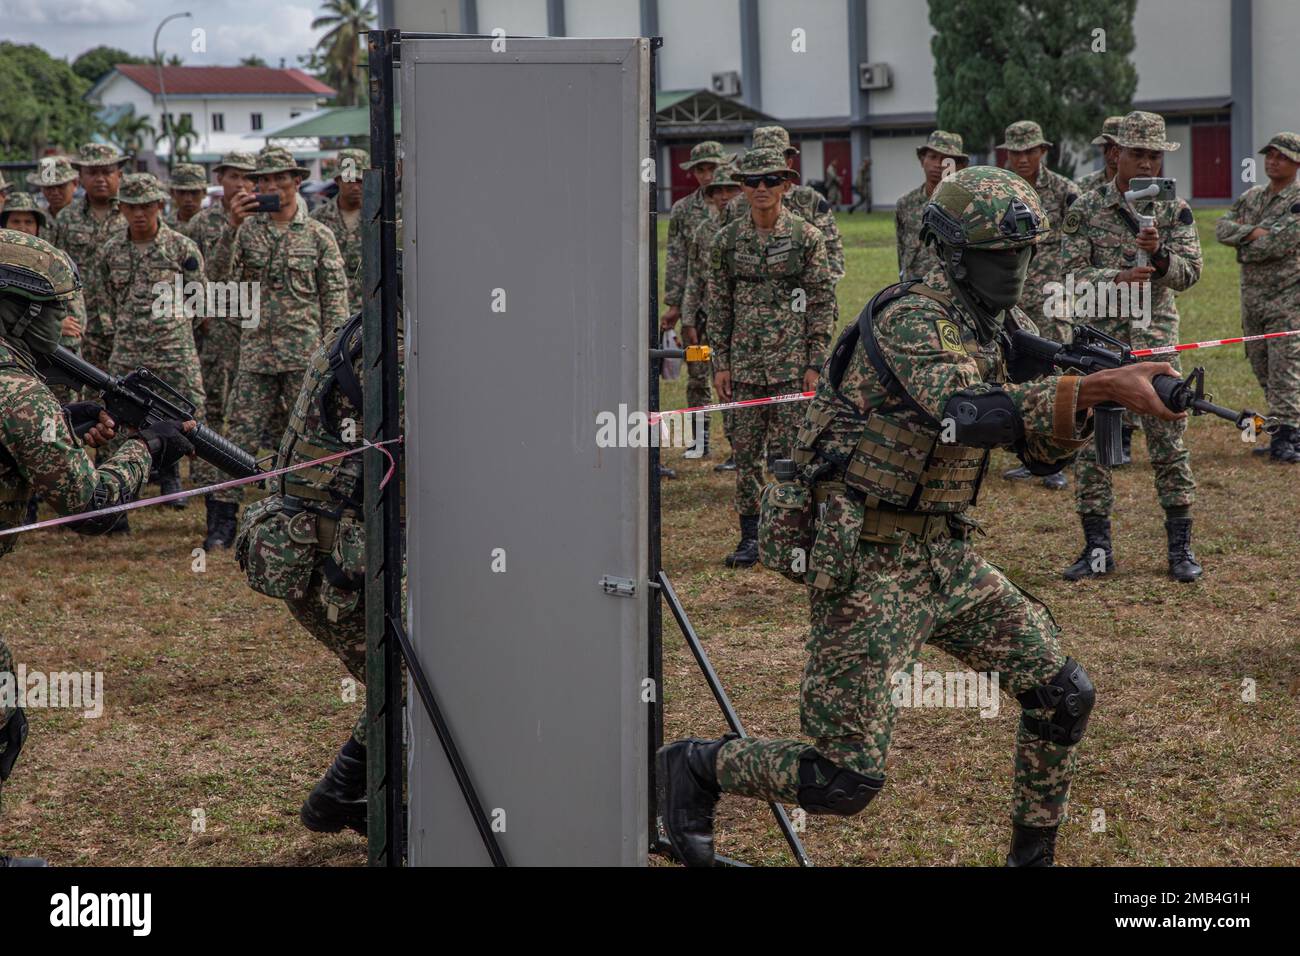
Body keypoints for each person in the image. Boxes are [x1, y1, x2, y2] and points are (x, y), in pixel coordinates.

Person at [657, 166, 1187, 868]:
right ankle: (695, 767)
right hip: (868, 563)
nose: (1018, 269)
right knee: (842, 781)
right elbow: (965, 415)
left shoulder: (1002, 327)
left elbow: (1035, 446)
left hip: (944, 555)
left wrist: (1086, 403)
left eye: (1025, 254)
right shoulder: (911, 317)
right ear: (958, 253)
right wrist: (1092, 383)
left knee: (1063, 694)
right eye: (1003, 256)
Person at [0, 230, 194, 867]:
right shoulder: (19, 393)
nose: (67, 329)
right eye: (55, 312)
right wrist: (151, 447)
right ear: (19, 310)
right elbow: (89, 510)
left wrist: (69, 418)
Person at [236, 312, 401, 836]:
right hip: (334, 563)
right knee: (409, 684)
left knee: (397, 681)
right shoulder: (389, 350)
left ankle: (340, 795)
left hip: (324, 551)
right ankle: (343, 798)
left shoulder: (362, 330)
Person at [1059, 111, 1203, 582]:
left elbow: (1190, 274)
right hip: (1101, 344)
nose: (1146, 164)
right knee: (1094, 446)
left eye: (1154, 155)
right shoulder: (1085, 207)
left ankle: (1180, 550)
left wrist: (1160, 255)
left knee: (1168, 441)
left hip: (1153, 342)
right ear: (1115, 153)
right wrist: (1115, 278)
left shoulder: (1174, 209)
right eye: (1137, 153)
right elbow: (1069, 277)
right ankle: (1097, 549)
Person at [206, 147, 348, 547]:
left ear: (296, 181)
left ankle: (307, 518)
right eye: (262, 181)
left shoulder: (319, 236)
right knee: (236, 438)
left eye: (278, 180)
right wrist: (232, 226)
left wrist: (333, 359)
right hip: (254, 357)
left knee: (312, 439)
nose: (269, 187)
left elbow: (334, 301)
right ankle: (222, 524)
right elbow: (218, 282)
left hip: (305, 359)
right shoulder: (247, 230)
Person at [708, 147, 836, 568]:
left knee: (790, 456)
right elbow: (719, 305)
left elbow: (821, 302)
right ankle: (750, 538)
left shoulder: (806, 237)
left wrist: (815, 362)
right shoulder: (726, 241)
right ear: (741, 187)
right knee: (745, 455)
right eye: (751, 181)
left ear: (786, 183)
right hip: (743, 367)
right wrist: (721, 364)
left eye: (770, 180)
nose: (760, 188)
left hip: (791, 367)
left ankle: (790, 535)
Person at [98, 174, 206, 518]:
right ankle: (113, 500)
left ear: (160, 205)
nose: (140, 214)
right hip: (128, 347)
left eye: (147, 206)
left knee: (183, 413)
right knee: (114, 417)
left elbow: (198, 299)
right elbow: (104, 299)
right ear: (122, 209)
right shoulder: (111, 249)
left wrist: (173, 325)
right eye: (132, 207)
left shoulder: (181, 247)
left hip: (174, 348)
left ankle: (173, 478)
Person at [998, 121, 1079, 489]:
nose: (1022, 158)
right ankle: (1028, 453)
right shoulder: (998, 189)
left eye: (1029, 151)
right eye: (1015, 152)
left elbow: (1080, 241)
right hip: (1009, 299)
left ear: (1043, 151)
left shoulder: (1064, 191)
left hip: (1051, 299)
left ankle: (1058, 458)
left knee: (1056, 374)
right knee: (1017, 375)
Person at [184, 151, 258, 545]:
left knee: (262, 425)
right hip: (217, 336)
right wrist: (200, 316)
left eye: (250, 178)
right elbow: (196, 277)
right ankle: (219, 518)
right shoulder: (203, 223)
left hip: (264, 335)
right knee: (215, 420)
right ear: (220, 179)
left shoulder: (270, 216)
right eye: (234, 177)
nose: (242, 186)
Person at [1214, 131, 1300, 463]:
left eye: (1281, 156)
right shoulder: (1251, 197)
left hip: (1287, 297)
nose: (1272, 161)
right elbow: (1221, 229)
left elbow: (1280, 243)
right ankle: (1284, 428)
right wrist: (1252, 233)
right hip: (1252, 298)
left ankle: (1286, 438)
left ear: (1296, 162)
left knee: (1285, 368)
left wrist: (1245, 242)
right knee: (1260, 361)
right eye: (1269, 155)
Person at [679, 165, 742, 461]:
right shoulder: (704, 232)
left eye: (731, 189)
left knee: (732, 384)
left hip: (739, 323)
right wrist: (688, 319)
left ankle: (737, 449)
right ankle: (700, 440)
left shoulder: (748, 229)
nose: (725, 196)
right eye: (719, 191)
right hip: (705, 321)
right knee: (697, 378)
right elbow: (695, 278)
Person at [727, 127, 845, 282]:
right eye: (760, 158)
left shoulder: (810, 201)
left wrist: (811, 294)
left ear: (789, 163)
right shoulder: (736, 206)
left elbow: (833, 255)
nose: (767, 163)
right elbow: (723, 261)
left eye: (775, 156)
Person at [51, 143, 130, 370]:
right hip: (82, 324)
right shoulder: (67, 218)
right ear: (81, 177)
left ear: (119, 175)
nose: (100, 179)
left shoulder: (131, 214)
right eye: (93, 173)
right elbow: (54, 271)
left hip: (126, 324)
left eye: (107, 172)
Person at [895, 131, 968, 281]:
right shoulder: (905, 203)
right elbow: (901, 249)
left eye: (945, 159)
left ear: (959, 166)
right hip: (914, 286)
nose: (938, 165)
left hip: (954, 288)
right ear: (922, 160)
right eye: (932, 157)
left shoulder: (967, 205)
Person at [311, 148, 369, 315]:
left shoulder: (381, 219)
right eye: (349, 180)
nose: (356, 187)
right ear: (337, 180)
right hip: (331, 310)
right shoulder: (317, 220)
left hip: (371, 310)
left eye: (360, 180)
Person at [1077, 116, 1123, 194]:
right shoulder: (1084, 185)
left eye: (1118, 148)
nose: (1112, 154)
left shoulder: (1139, 187)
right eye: (1107, 146)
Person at [27, 157, 80, 221]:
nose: (55, 192)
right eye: (48, 187)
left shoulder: (87, 217)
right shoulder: (38, 220)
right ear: (41, 188)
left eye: (60, 186)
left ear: (75, 184)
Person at [166, 163, 209, 234]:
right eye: (182, 192)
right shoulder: (164, 227)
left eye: (194, 192)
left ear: (204, 192)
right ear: (172, 193)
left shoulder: (216, 224)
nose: (188, 199)